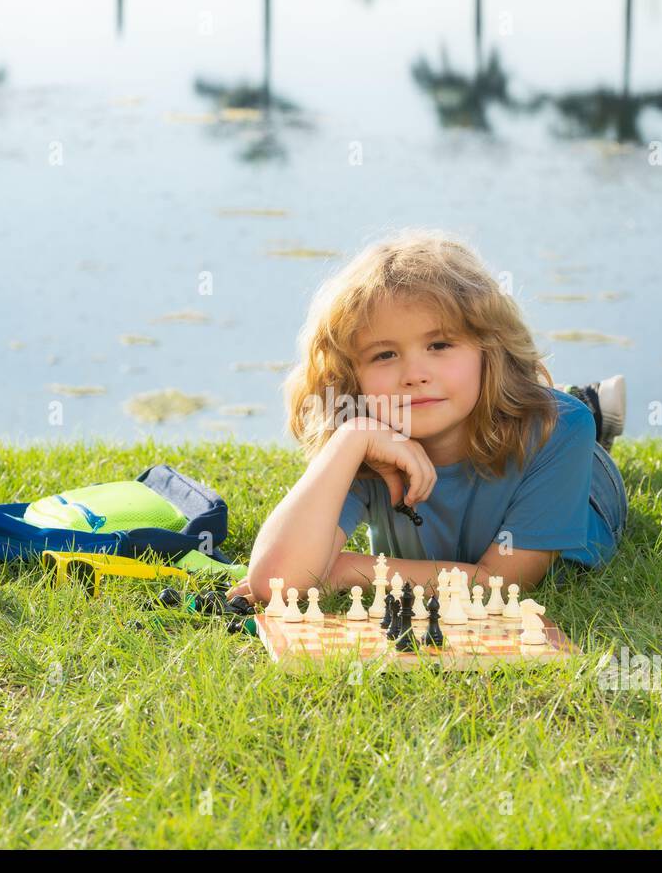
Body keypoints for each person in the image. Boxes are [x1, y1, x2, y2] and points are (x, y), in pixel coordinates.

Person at [227, 230, 628, 605]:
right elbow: (273, 581)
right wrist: (352, 437)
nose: (414, 374)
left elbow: (502, 583)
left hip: (588, 488)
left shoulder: (558, 433)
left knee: (562, 417)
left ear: (490, 351)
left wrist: (349, 569)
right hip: (445, 418)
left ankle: (588, 410)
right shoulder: (365, 435)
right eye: (385, 354)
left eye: (439, 344)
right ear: (353, 377)